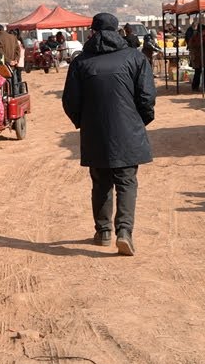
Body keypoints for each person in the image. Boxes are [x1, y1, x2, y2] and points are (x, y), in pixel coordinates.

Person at [62, 13, 155, 256]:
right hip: (128, 130)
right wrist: (139, 121)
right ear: (118, 31)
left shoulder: (81, 62)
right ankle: (124, 232)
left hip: (95, 132)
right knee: (126, 181)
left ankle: (103, 232)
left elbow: (70, 101)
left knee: (101, 182)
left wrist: (84, 122)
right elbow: (146, 97)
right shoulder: (135, 58)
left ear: (92, 32)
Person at [0, 24, 22, 93]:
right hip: (13, 64)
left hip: (4, 64)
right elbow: (18, 50)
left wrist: (8, 61)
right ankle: (16, 96)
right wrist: (15, 60)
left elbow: (0, 52)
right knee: (14, 82)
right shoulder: (13, 37)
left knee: (6, 83)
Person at [188, 22, 205, 92]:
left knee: (198, 72)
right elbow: (197, 45)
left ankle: (195, 86)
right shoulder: (196, 37)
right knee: (198, 72)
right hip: (197, 57)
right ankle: (195, 87)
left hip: (197, 56)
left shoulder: (195, 36)